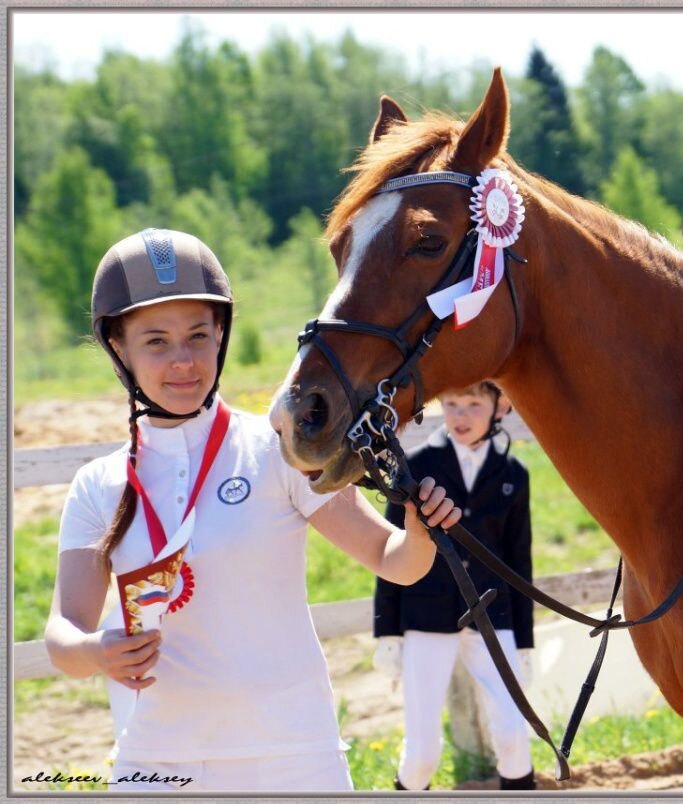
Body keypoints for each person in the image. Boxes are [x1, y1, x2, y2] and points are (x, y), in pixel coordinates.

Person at [43, 228, 462, 793]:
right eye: (157, 342)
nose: (184, 361)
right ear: (119, 348)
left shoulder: (278, 448)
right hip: (158, 763)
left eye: (198, 334)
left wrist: (420, 530)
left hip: (295, 756)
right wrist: (95, 651)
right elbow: (62, 636)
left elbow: (397, 562)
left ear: (222, 333)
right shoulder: (99, 485)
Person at [374, 381, 535, 791]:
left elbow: (520, 560)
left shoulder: (514, 475)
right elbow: (391, 548)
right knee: (423, 752)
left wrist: (526, 639)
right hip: (426, 614)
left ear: (501, 407)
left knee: (515, 735)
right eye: (452, 404)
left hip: (493, 615)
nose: (460, 415)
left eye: (473, 404)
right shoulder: (415, 465)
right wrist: (387, 631)